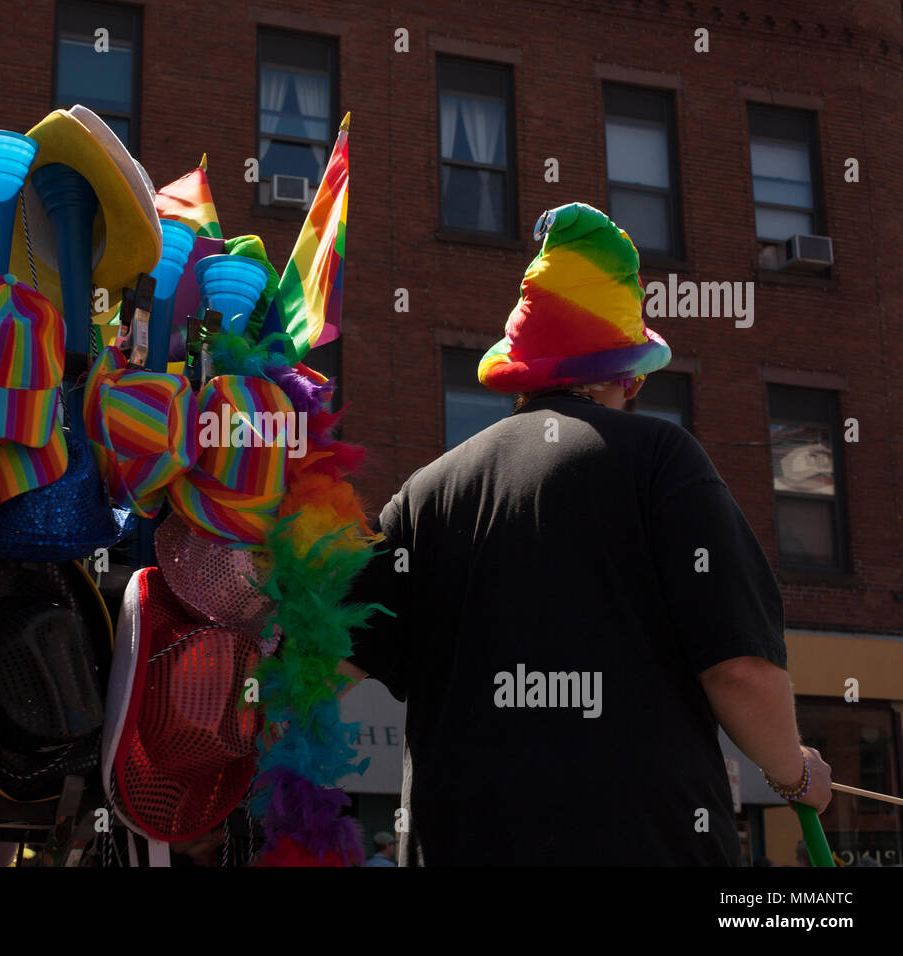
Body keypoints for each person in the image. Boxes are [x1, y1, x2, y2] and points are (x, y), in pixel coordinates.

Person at [340, 203, 832, 866]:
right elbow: (739, 670)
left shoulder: (426, 494)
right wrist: (795, 772)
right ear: (621, 375)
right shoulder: (662, 460)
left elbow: (320, 662)